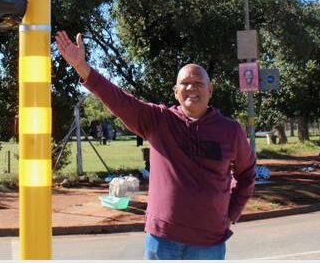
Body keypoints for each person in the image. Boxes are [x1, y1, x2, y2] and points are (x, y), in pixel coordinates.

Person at [55, 31, 256, 260]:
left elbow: (247, 173)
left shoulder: (230, 131)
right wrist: (82, 67)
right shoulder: (158, 121)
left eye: (199, 83)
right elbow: (119, 99)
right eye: (185, 83)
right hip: (162, 240)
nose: (192, 88)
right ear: (176, 92)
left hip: (209, 243)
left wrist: (232, 212)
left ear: (210, 90)